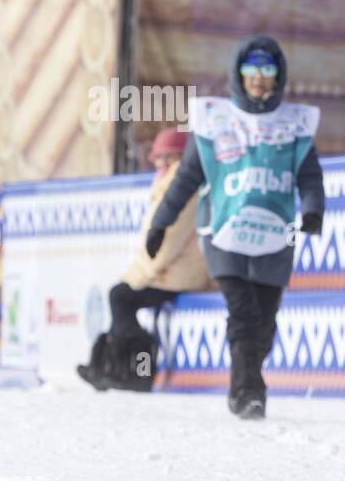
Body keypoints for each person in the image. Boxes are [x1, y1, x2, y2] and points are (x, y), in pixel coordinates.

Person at [147, 35, 325, 419]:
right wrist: (160, 224)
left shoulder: (294, 126)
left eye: (267, 69)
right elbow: (186, 179)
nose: (258, 77)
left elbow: (310, 178)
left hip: (275, 235)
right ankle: (249, 393)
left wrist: (312, 211)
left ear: (278, 76)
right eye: (251, 69)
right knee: (242, 313)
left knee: (264, 322)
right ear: (237, 74)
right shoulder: (215, 123)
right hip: (224, 232)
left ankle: (243, 381)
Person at [77, 127, 210, 391]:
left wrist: (140, 276)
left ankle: (136, 371)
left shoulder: (182, 187)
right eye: (158, 157)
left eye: (164, 157)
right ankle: (113, 369)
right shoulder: (167, 185)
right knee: (121, 297)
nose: (158, 163)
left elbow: (167, 241)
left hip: (178, 275)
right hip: (169, 272)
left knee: (121, 297)